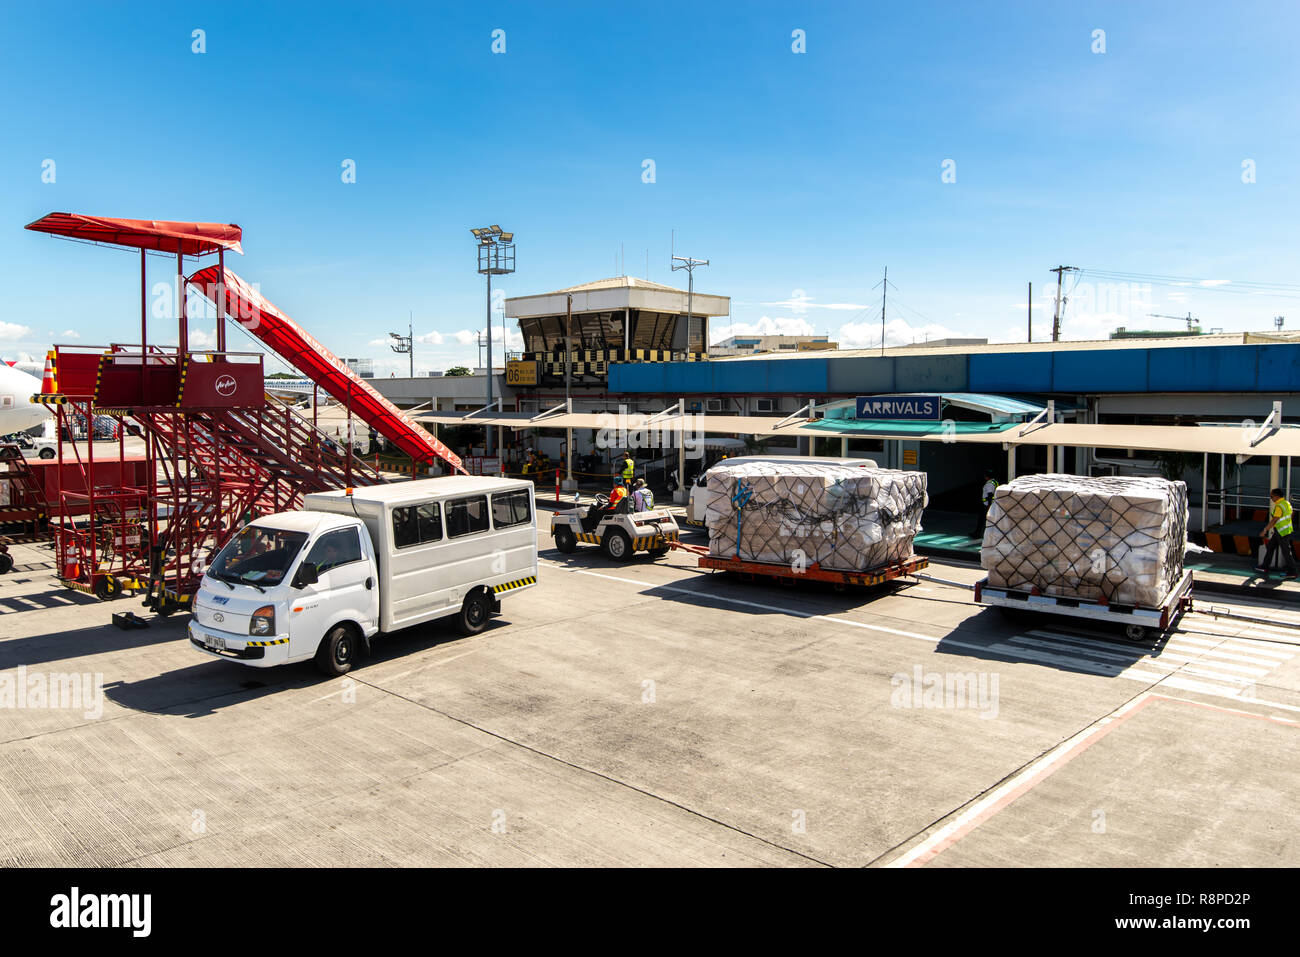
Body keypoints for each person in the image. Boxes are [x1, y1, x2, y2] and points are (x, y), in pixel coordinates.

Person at [1255, 487, 1297, 579]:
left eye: (1271, 496)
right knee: (1270, 547)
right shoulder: (1287, 503)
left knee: (1286, 552)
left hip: (1281, 532)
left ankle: (1292, 572)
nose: (1271, 498)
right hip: (1284, 530)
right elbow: (1292, 513)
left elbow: (1274, 520)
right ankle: (1264, 566)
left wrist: (1265, 530)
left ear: (1276, 496)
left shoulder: (1279, 506)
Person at [972, 469, 998, 539]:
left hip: (986, 505)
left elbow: (990, 495)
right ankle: (977, 533)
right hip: (991, 504)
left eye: (985, 475)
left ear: (987, 476)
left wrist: (988, 506)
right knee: (985, 520)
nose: (984, 477)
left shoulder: (989, 484)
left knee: (982, 520)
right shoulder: (995, 482)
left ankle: (977, 534)